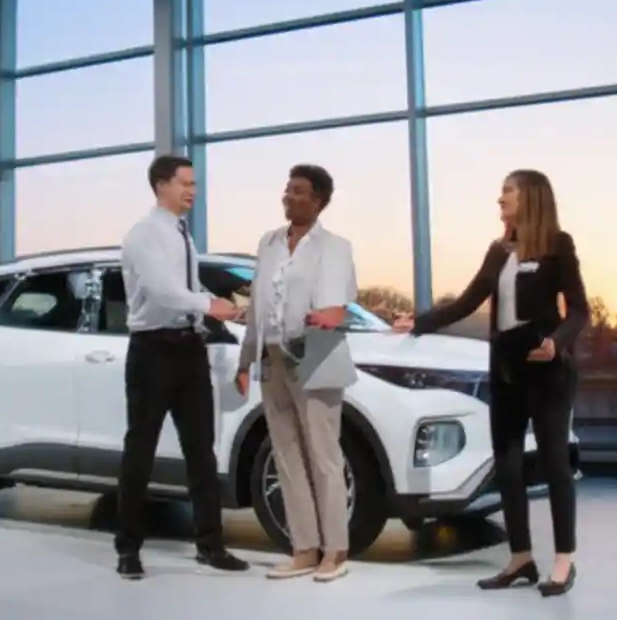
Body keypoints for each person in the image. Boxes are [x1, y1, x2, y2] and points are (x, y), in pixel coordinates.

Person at [393, 169, 588, 598]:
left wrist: (556, 344)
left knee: (555, 463)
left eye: (507, 193)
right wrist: (420, 322)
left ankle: (563, 560)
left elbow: (579, 312)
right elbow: (467, 301)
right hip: (505, 370)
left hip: (548, 369)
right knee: (509, 465)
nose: (499, 200)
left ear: (531, 198)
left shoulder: (559, 244)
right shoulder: (498, 250)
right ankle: (520, 558)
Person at [114, 154, 249, 579]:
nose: (193, 190)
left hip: (190, 350)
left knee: (201, 452)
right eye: (185, 183)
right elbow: (159, 290)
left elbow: (186, 287)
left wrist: (226, 305)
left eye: (194, 183)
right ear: (161, 185)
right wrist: (208, 305)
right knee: (141, 450)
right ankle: (128, 549)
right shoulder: (143, 234)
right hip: (153, 349)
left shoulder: (182, 235)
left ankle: (211, 546)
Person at [234, 165, 358, 582]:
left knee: (324, 456)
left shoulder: (334, 246)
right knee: (285, 454)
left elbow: (335, 301)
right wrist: (246, 359)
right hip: (272, 358)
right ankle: (304, 547)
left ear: (319, 199)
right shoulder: (268, 243)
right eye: (286, 189)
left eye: (298, 191)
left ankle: (336, 550)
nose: (288, 196)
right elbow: (256, 305)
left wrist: (326, 315)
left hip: (316, 354)